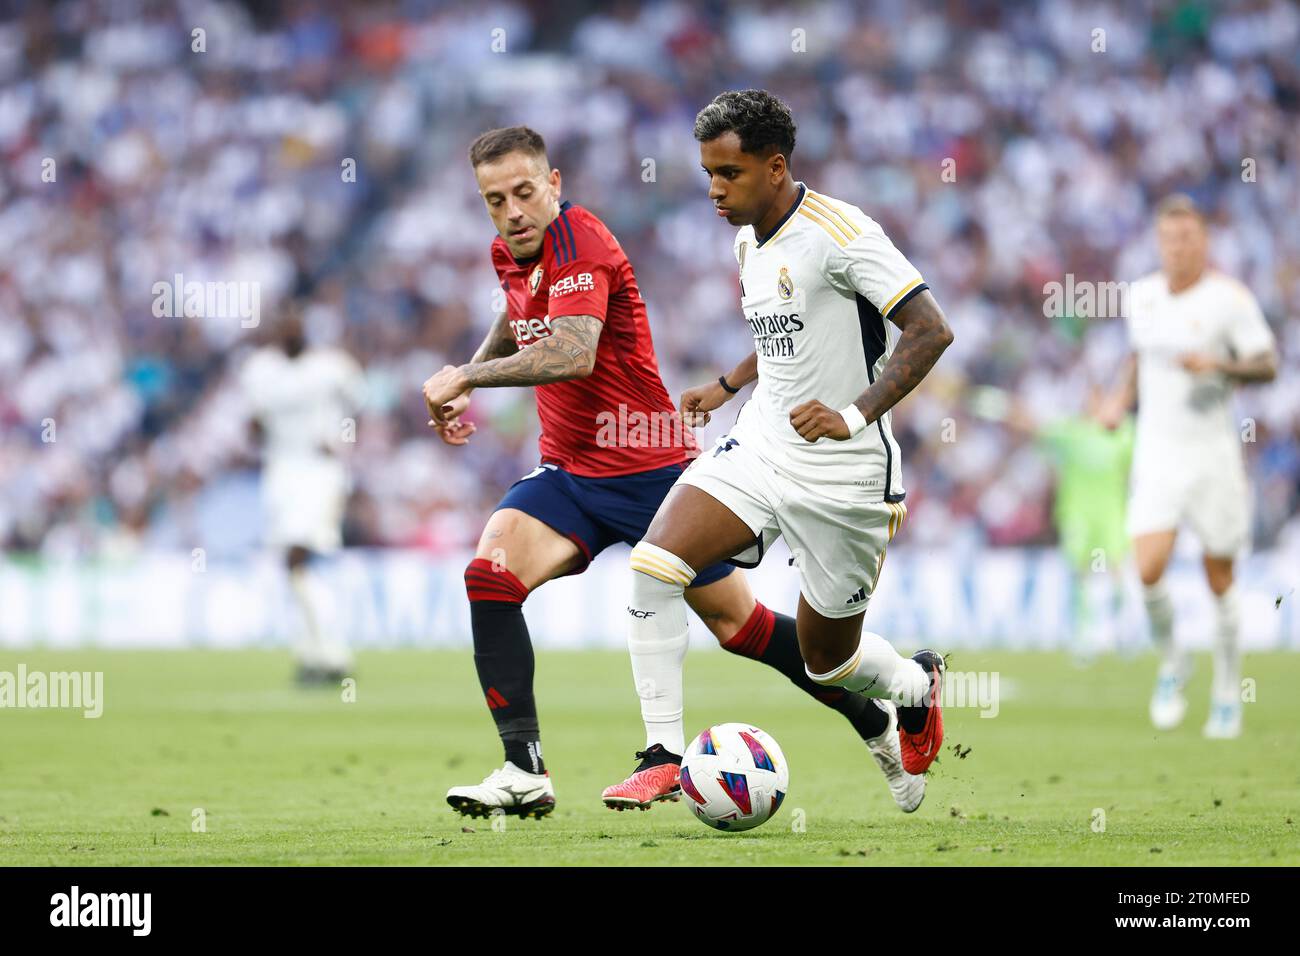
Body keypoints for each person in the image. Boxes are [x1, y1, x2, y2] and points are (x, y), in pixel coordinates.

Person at [423, 126, 928, 820]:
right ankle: (524, 770)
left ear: (555, 185)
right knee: (490, 575)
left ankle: (874, 720)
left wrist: (466, 373)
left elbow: (571, 350)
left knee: (741, 630)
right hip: (569, 470)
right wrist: (472, 382)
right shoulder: (510, 252)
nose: (512, 212)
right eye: (494, 201)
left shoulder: (584, 243)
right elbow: (522, 319)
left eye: (523, 192)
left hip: (647, 465)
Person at [602, 90, 954, 808]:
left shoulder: (842, 232)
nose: (714, 190)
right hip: (761, 445)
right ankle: (662, 755)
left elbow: (931, 330)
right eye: (707, 173)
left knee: (829, 665)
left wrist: (854, 415)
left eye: (728, 173)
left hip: (846, 475)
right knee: (654, 565)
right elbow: (784, 335)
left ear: (775, 166)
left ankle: (915, 687)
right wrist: (728, 383)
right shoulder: (745, 241)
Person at [1101, 195, 1277, 738]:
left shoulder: (1230, 299)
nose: (1178, 249)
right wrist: (1116, 399)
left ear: (1204, 242)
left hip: (1213, 454)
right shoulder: (1143, 296)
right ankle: (1175, 661)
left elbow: (1267, 363)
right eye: (1169, 240)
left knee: (1219, 576)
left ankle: (1227, 692)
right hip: (1157, 452)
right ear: (1160, 243)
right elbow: (1139, 356)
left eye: (1188, 239)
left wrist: (1220, 364)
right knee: (1147, 569)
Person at [241, 305, 365, 684]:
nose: (290, 332)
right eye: (284, 326)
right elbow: (253, 427)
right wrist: (257, 427)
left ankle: (333, 653)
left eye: (296, 325)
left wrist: (342, 440)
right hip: (280, 469)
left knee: (301, 557)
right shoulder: (260, 370)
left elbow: (359, 407)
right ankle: (316, 654)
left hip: (318, 470)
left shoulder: (332, 367)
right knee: (291, 563)